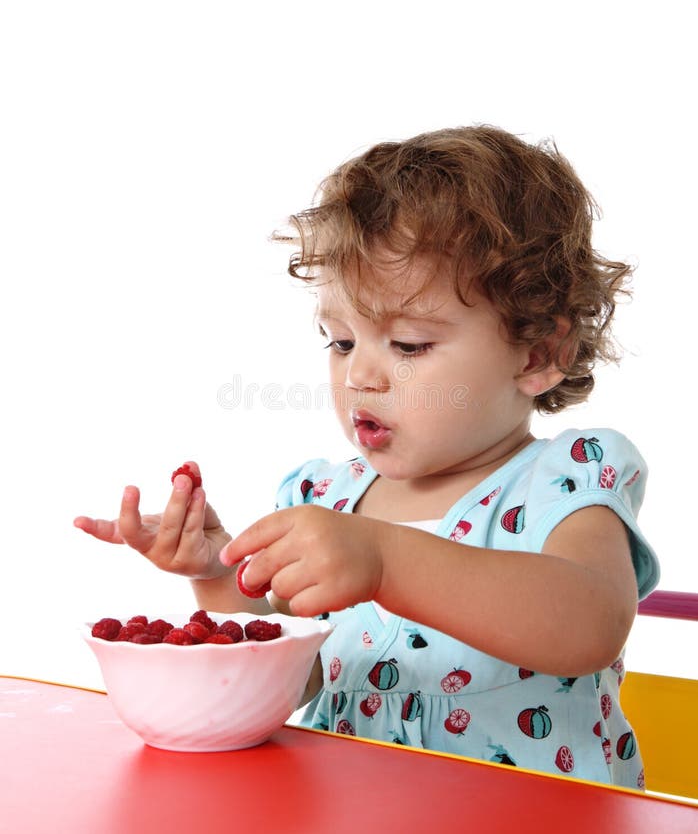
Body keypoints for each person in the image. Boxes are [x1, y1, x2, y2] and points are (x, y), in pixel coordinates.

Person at [75, 125, 659, 788]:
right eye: (342, 342)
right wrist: (219, 576)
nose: (359, 377)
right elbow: (290, 680)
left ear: (537, 354)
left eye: (407, 345)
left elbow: (589, 625)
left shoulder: (566, 483)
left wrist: (385, 561)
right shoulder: (323, 502)